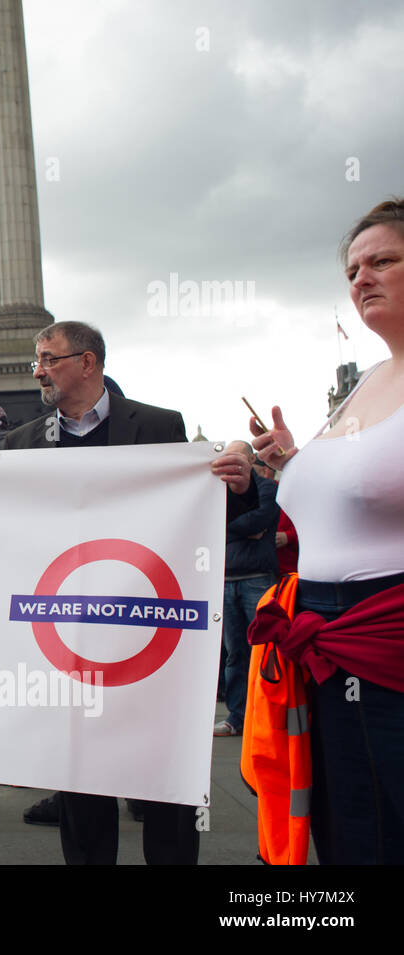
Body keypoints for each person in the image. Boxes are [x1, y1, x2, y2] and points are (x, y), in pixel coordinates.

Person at [2, 320, 254, 865]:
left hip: (150, 626)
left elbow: (202, 509)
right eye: (36, 361)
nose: (39, 371)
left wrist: (238, 476)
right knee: (82, 782)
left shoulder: (161, 426)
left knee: (164, 777)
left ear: (87, 362)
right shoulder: (23, 442)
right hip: (65, 634)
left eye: (48, 359)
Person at [247, 198, 404, 864]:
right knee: (345, 827)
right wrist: (288, 463)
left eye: (384, 261)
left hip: (386, 633)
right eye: (352, 268)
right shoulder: (366, 383)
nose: (361, 278)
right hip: (320, 644)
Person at [215, 441, 278, 738]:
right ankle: (237, 717)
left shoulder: (266, 487)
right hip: (226, 579)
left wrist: (225, 527)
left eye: (239, 457)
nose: (233, 463)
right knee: (235, 654)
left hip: (258, 578)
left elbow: (264, 517)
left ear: (251, 459)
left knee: (266, 650)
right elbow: (215, 523)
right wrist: (242, 528)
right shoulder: (219, 491)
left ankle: (270, 715)